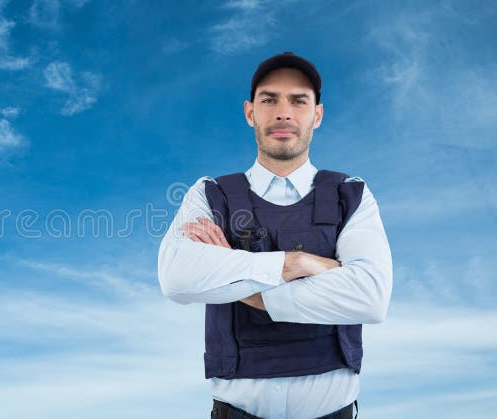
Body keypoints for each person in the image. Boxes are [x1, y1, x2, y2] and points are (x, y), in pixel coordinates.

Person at [157, 52, 393, 419]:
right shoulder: (208, 194)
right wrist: (299, 262)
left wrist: (237, 279)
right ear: (251, 112)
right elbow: (177, 278)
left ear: (317, 115)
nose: (284, 112)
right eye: (270, 100)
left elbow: (371, 298)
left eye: (299, 100)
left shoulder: (352, 194)